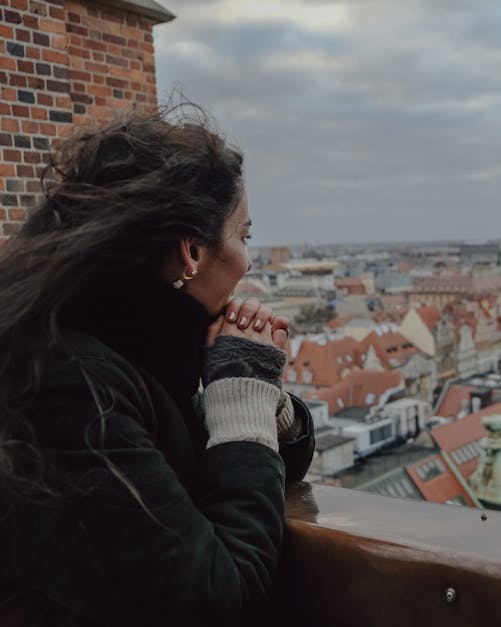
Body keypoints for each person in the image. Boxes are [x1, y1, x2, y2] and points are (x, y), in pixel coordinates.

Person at [0, 107, 314, 626]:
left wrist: (259, 404)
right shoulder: (63, 386)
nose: (248, 261)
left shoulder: (124, 342)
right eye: (244, 236)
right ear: (191, 251)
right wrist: (240, 410)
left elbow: (233, 472)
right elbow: (214, 601)